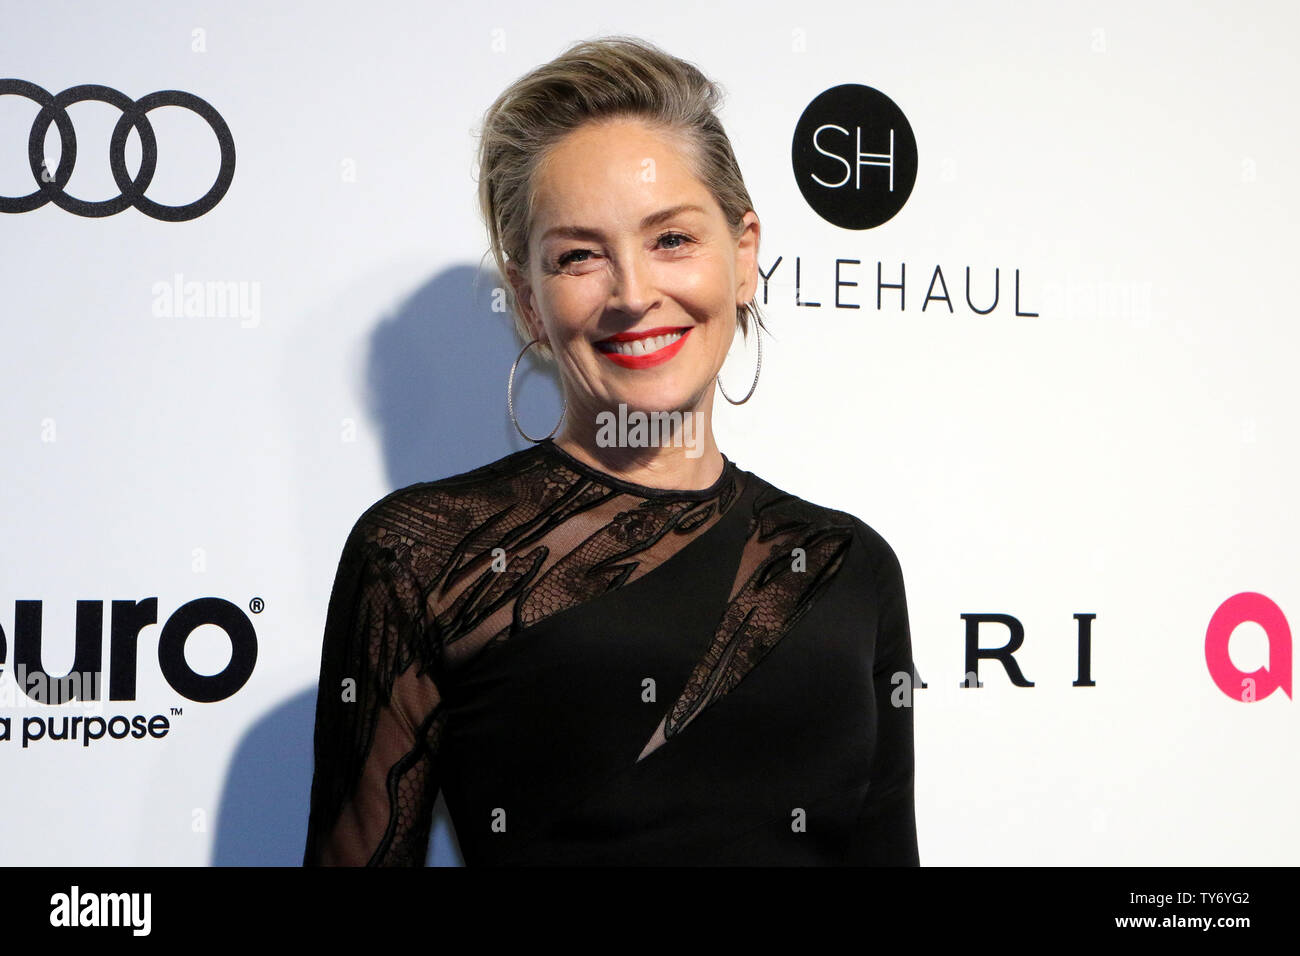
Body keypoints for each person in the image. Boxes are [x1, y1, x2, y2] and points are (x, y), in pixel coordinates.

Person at [302, 34, 918, 866]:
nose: (633, 295)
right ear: (527, 301)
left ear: (743, 256)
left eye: (671, 240)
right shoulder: (421, 554)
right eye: (580, 256)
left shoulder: (847, 563)